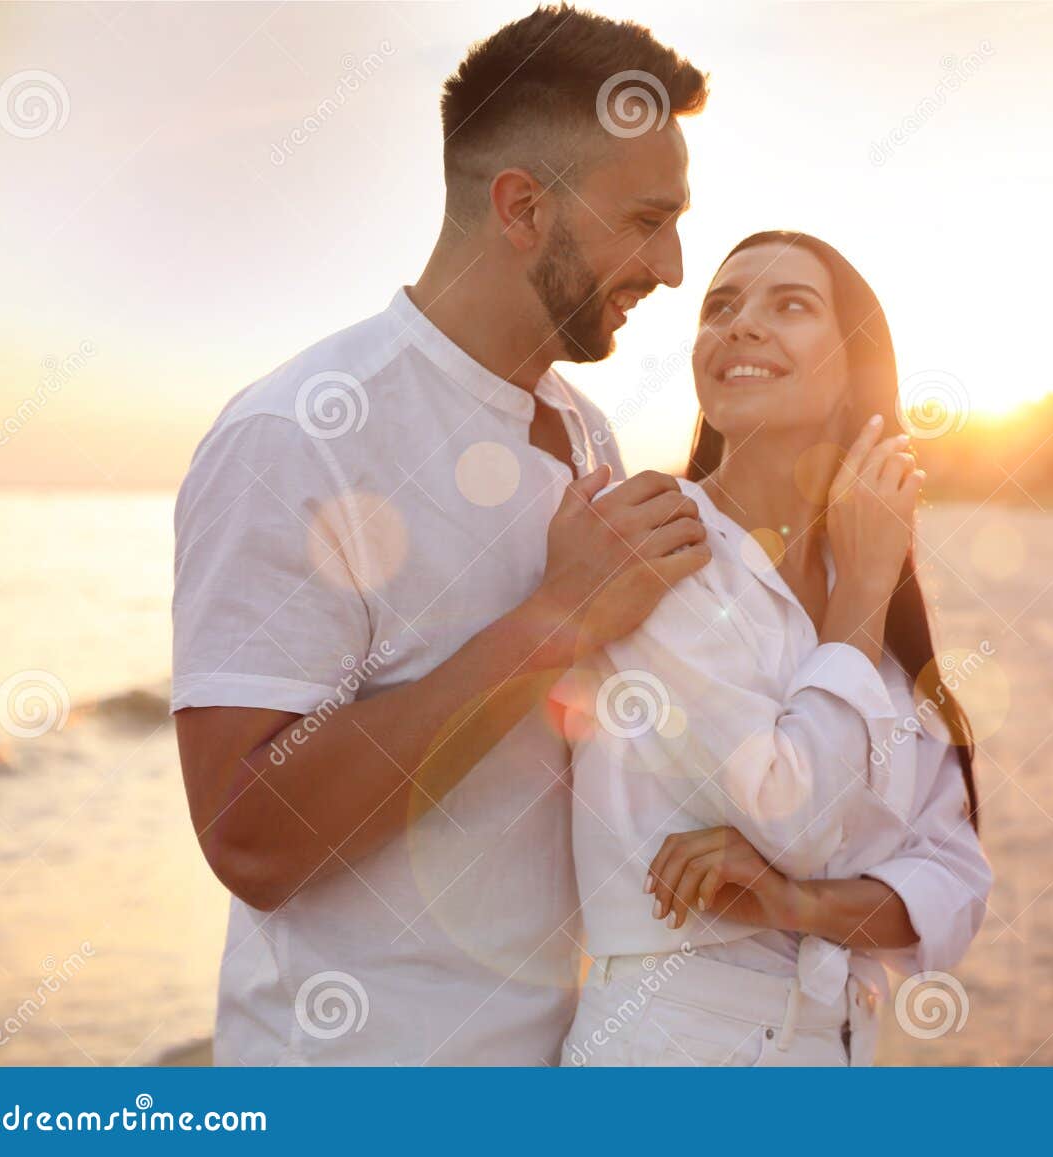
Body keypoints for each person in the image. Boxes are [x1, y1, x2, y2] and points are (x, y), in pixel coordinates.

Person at [170, 6, 712, 1065]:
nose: (676, 265)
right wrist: (554, 619)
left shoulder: (583, 423)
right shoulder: (298, 437)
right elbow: (250, 837)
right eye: (647, 219)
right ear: (522, 208)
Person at [561, 232, 992, 1066]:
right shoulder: (658, 540)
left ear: (853, 364)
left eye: (788, 305)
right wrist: (861, 597)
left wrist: (792, 903)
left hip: (839, 1050)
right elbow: (788, 811)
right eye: (719, 308)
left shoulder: (865, 566)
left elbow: (954, 884)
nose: (741, 326)